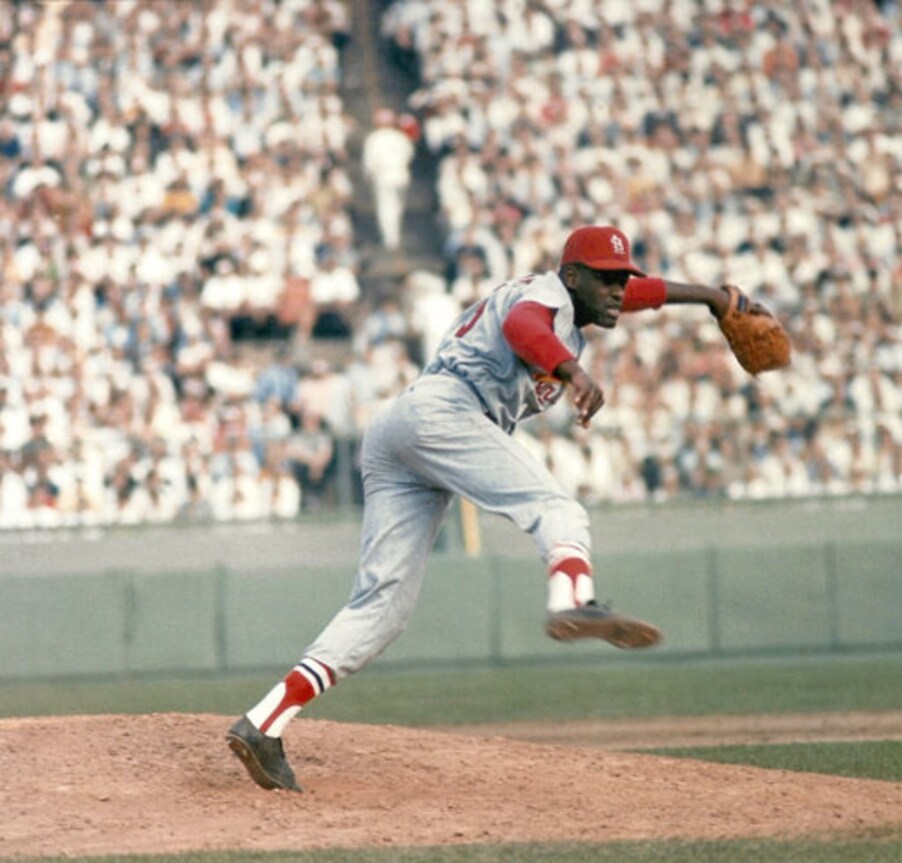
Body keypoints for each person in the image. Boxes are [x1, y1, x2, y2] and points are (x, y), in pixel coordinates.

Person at [226, 225, 771, 791]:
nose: (617, 290)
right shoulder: (545, 299)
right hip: (446, 411)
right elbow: (521, 327)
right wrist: (574, 371)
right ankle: (574, 602)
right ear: (573, 276)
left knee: (383, 607)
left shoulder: (573, 297)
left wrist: (708, 297)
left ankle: (265, 723)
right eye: (605, 279)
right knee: (558, 509)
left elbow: (633, 295)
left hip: (404, 429)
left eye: (622, 279)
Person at [361, 107, 415, 251]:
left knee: (386, 208)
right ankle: (394, 236)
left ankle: (391, 240)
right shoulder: (401, 137)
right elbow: (409, 154)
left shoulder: (374, 138)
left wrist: (368, 176)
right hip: (401, 176)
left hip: (383, 177)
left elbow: (369, 162)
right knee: (397, 207)